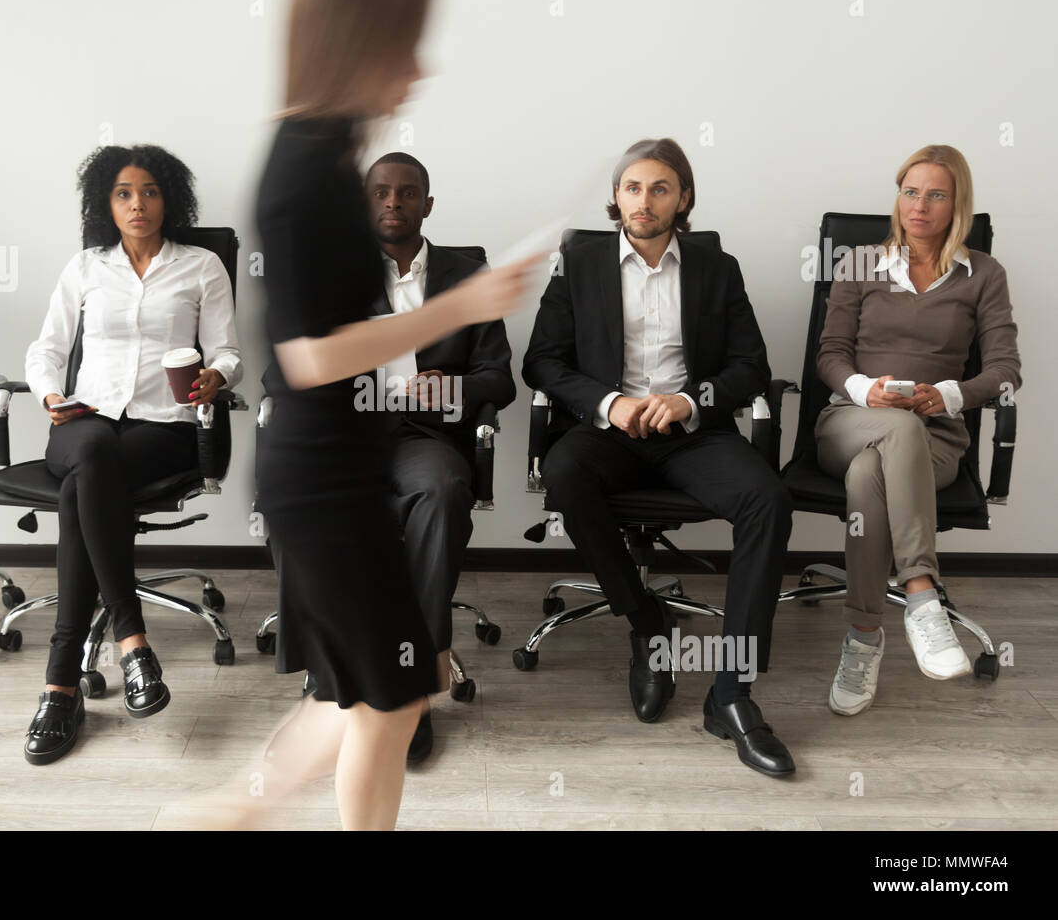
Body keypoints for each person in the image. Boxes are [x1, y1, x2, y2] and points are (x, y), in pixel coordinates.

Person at [207, 0, 534, 830]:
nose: (418, 67)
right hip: (322, 481)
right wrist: (460, 306)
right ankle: (216, 820)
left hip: (334, 472)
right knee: (390, 694)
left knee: (386, 692)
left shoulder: (324, 149)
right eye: (406, 42)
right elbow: (309, 358)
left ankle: (219, 819)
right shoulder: (308, 172)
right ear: (360, 39)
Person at [523, 137, 796, 777]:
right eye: (632, 188)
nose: (644, 200)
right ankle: (649, 626)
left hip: (691, 433)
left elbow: (751, 366)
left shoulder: (715, 267)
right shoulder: (579, 262)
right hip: (608, 430)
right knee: (564, 475)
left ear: (684, 198)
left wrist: (689, 401)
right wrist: (610, 403)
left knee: (768, 500)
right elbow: (541, 361)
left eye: (660, 188)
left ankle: (731, 694)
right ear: (616, 198)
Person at [21, 144, 242, 764]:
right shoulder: (86, 267)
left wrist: (218, 378)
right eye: (123, 193)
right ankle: (132, 642)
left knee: (82, 484)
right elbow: (46, 348)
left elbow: (228, 351)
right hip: (82, 420)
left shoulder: (202, 267)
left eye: (148, 191)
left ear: (168, 198)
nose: (137, 204)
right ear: (106, 203)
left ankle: (60, 687)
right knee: (90, 449)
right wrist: (50, 394)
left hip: (162, 428)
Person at [816, 144, 1021, 716]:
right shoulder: (859, 263)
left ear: (958, 203)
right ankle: (921, 596)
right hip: (849, 420)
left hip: (934, 435)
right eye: (910, 192)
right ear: (898, 196)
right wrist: (865, 390)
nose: (920, 206)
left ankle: (862, 638)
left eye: (936, 195)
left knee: (871, 472)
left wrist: (948, 395)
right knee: (887, 433)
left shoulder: (984, 274)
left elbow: (1006, 369)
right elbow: (829, 354)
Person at [365, 151, 516, 760]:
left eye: (406, 193)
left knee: (444, 490)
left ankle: (414, 688)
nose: (392, 203)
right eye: (379, 193)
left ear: (428, 205)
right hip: (350, 436)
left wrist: (450, 386)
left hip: (426, 438)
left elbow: (500, 379)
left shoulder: (468, 272)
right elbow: (279, 375)